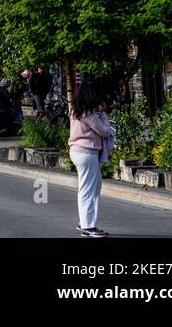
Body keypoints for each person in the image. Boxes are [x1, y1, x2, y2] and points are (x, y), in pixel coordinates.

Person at [68, 79, 113, 237]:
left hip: (78, 152)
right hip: (87, 153)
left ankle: (85, 222)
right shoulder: (89, 113)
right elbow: (105, 131)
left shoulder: (76, 110)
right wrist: (104, 115)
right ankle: (89, 226)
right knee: (89, 189)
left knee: (90, 188)